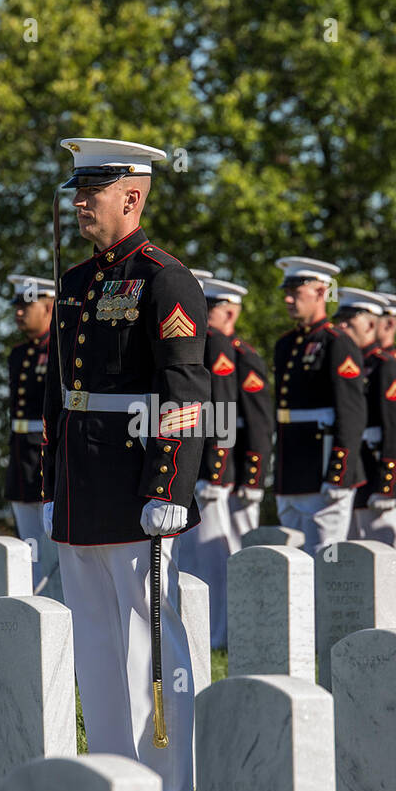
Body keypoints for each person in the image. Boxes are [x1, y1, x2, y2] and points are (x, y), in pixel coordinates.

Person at [41, 137, 208, 791]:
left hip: (139, 486)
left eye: (94, 192)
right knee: (97, 649)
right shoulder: (78, 282)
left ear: (132, 197)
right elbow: (62, 389)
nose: (80, 203)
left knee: (147, 641)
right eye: (78, 192)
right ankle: (114, 781)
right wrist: (57, 474)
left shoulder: (165, 278)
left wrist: (168, 486)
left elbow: (185, 391)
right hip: (83, 487)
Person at [272, 257, 366, 552]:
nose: (288, 299)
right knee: (291, 562)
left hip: (322, 468)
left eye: (296, 292)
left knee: (325, 556)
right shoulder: (286, 344)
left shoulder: (336, 342)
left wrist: (339, 471)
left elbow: (351, 412)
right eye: (287, 292)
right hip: (292, 469)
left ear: (321, 292)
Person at [177, 277, 247, 648]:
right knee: (194, 557)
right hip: (194, 464)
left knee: (214, 559)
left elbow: (223, 410)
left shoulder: (216, 343)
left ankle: (220, 632)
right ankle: (205, 630)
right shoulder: (201, 340)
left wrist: (216, 471)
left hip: (209, 469)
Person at [348, 289, 396, 624]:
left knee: (391, 562)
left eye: (353, 321)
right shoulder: (361, 364)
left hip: (383, 482)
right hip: (363, 478)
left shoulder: (388, 366)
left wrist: (389, 484)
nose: (346, 329)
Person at [4, 273, 58, 591]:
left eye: (27, 305)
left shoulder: (61, 351)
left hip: (47, 455)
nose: (19, 312)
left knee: (51, 540)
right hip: (22, 455)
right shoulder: (19, 354)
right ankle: (34, 595)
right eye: (17, 306)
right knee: (29, 543)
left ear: (49, 308)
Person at [225, 285, 274, 541]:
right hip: (219, 472)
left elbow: (259, 422)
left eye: (212, 310)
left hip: (237, 470)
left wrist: (253, 476)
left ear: (230, 314)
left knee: (239, 545)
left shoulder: (242, 356)